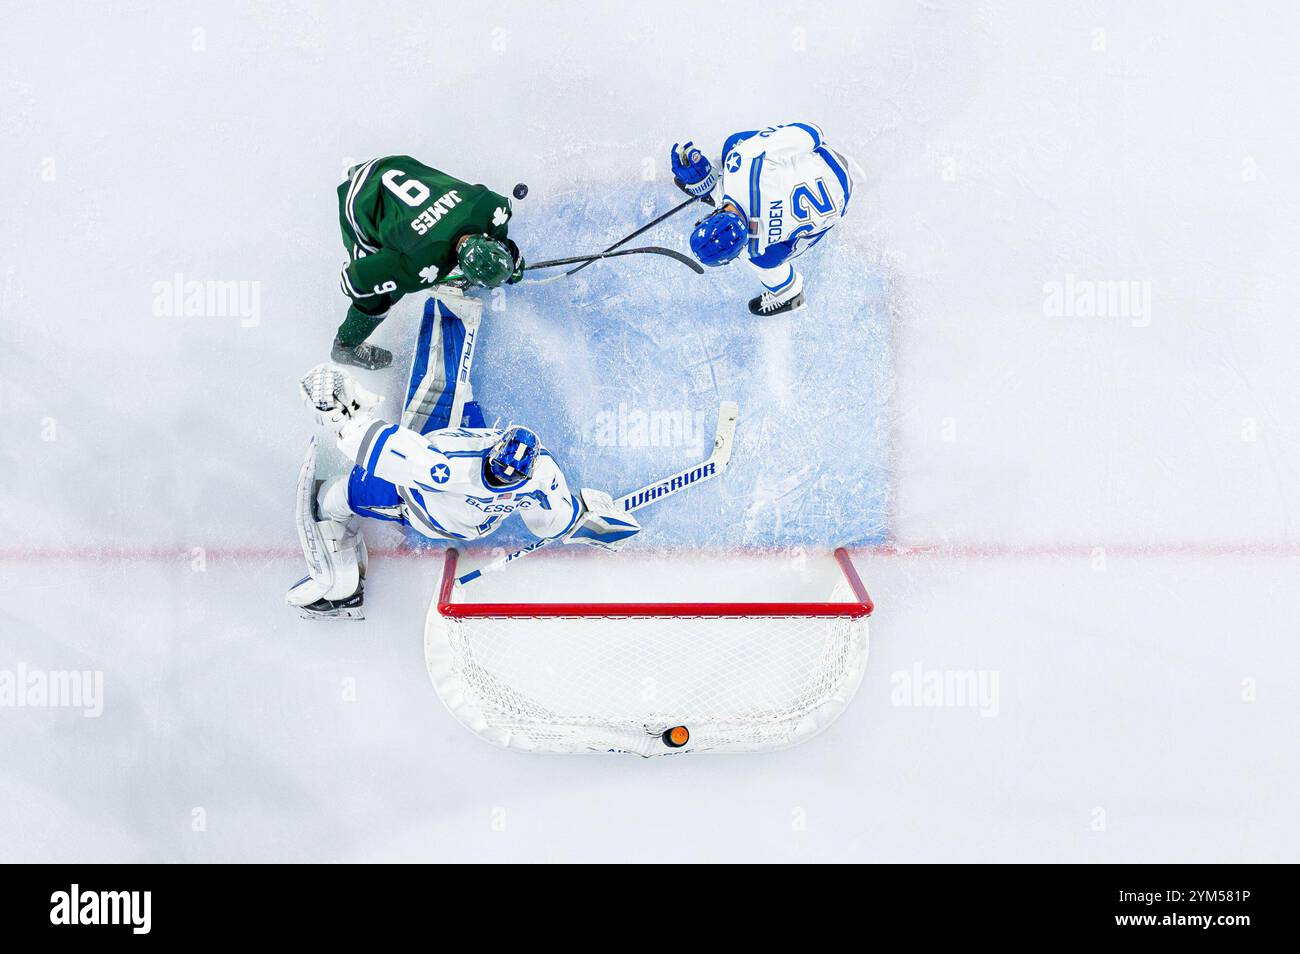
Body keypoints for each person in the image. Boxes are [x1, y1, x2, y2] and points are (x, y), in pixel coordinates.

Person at [331, 156, 525, 369]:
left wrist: (511, 265)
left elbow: (499, 233)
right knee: (379, 299)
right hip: (361, 201)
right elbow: (354, 279)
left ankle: (443, 270)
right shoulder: (417, 265)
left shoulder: (489, 207)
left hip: (393, 165)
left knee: (407, 264)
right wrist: (389, 281)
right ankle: (345, 347)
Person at [671, 123, 854, 315]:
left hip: (843, 203)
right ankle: (713, 183)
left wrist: (706, 185)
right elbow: (813, 131)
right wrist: (707, 176)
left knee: (768, 260)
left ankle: (789, 293)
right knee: (732, 145)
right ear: (710, 217)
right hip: (831, 164)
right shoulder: (742, 163)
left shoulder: (753, 250)